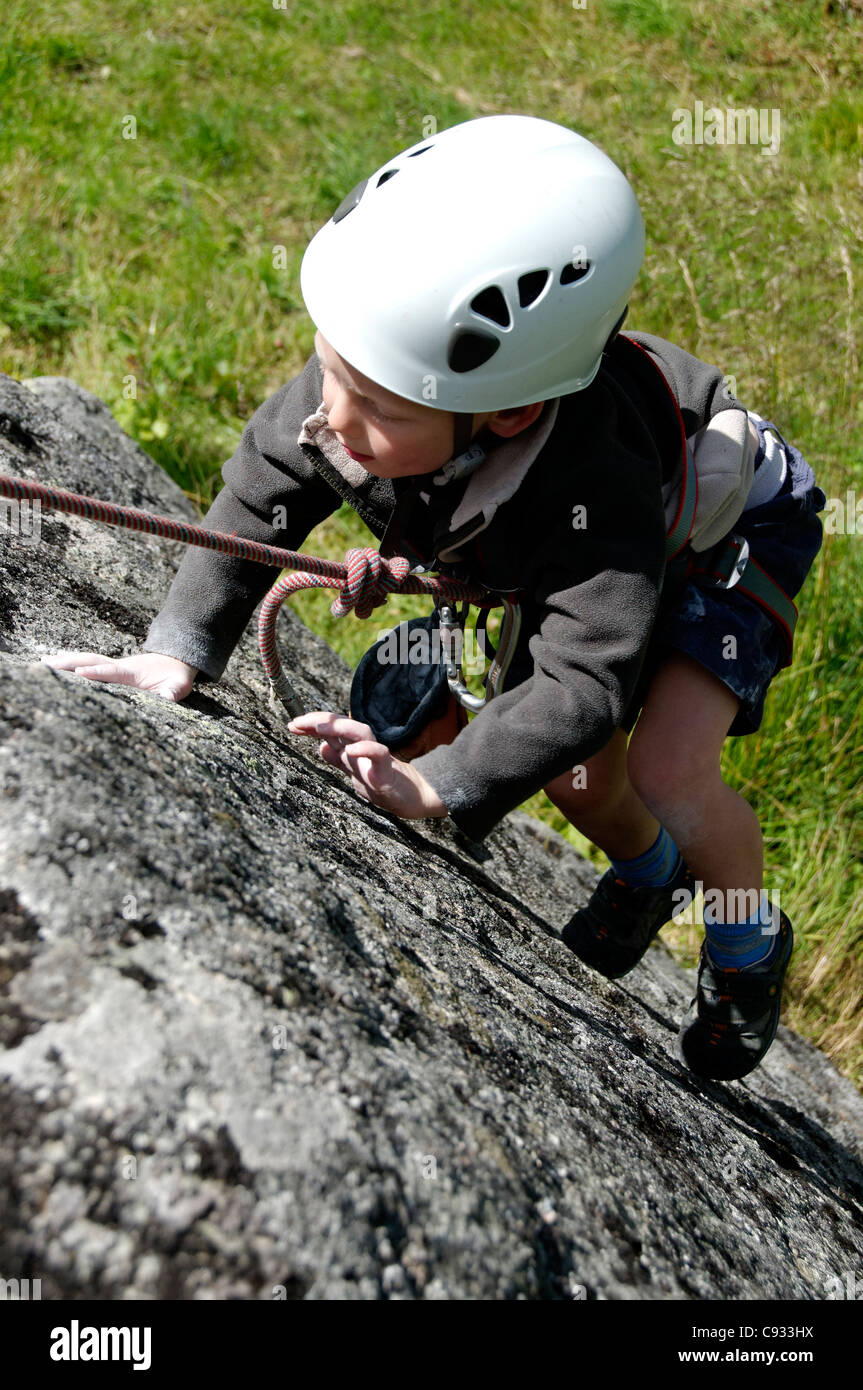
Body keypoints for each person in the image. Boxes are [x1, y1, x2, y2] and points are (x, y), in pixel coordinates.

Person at [45, 115, 826, 1082]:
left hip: (723, 534)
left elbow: (582, 683)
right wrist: (180, 650)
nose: (330, 415)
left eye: (375, 407)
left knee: (667, 773)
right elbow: (257, 499)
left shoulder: (593, 492)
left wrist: (441, 781)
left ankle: (745, 943)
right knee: (569, 774)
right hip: (555, 546)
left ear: (507, 412)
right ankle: (648, 876)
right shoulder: (379, 376)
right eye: (329, 369)